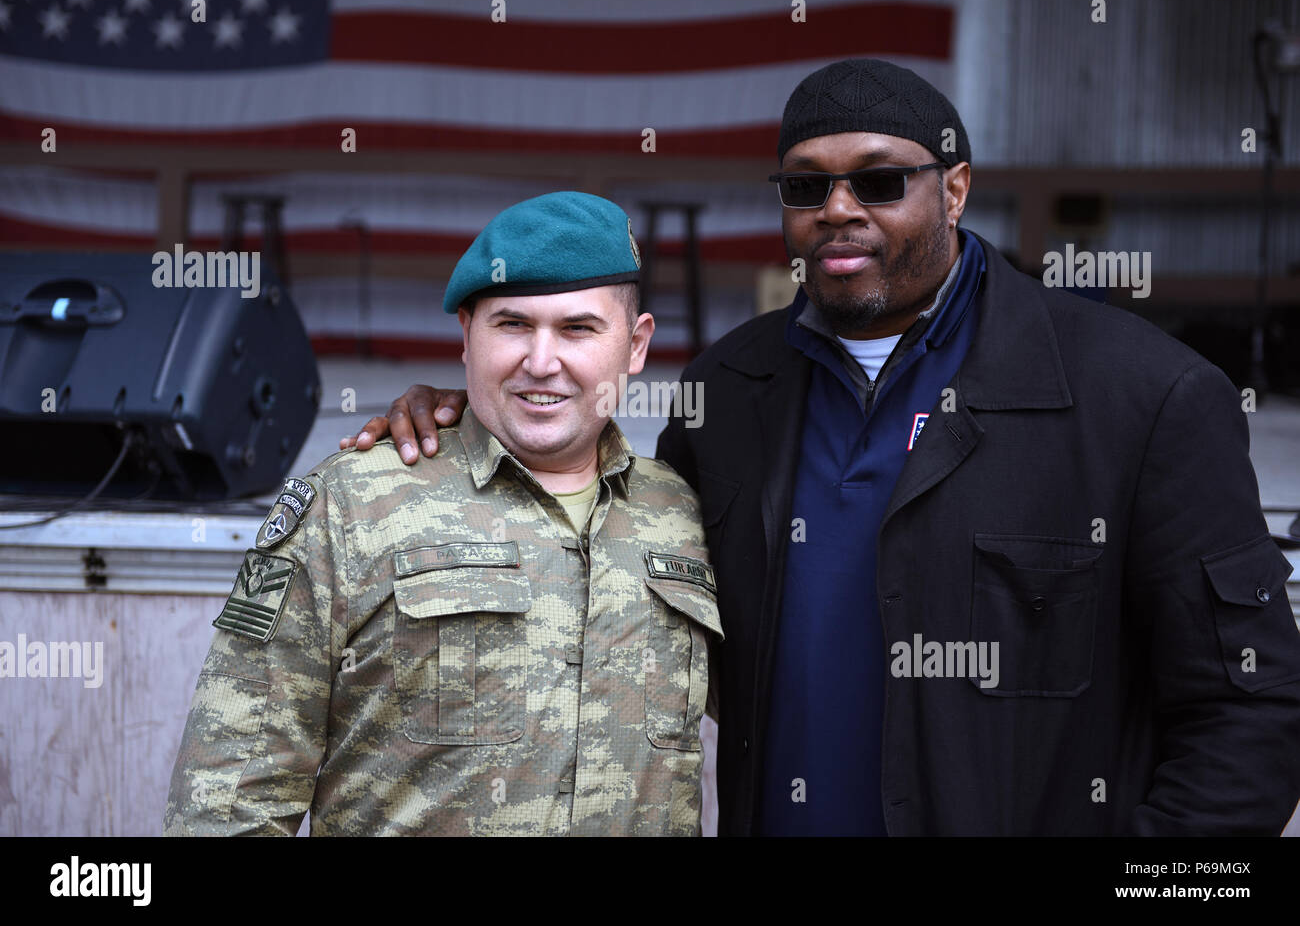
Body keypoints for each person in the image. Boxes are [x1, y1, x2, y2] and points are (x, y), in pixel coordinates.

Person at [343, 59, 1300, 835]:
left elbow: (1251, 713)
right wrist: (467, 412)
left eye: (880, 180)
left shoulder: (1142, 397)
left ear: (955, 188)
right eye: (808, 185)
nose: (839, 208)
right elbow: (594, 533)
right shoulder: (725, 395)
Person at [166, 191, 722, 836]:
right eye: (511, 324)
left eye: (578, 328)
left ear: (636, 345)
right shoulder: (352, 502)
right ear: (467, 337)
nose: (541, 362)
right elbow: (231, 794)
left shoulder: (683, 512)